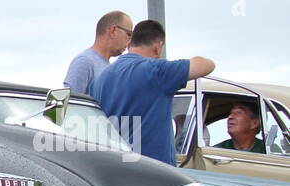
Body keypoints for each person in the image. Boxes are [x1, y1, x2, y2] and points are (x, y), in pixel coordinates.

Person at [90, 20, 215, 166]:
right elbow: (207, 65)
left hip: (114, 168)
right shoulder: (157, 71)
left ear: (130, 44)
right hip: (153, 172)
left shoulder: (100, 79)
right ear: (158, 47)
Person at [63, 11, 134, 93]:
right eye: (128, 34)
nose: (129, 41)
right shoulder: (84, 62)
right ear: (113, 31)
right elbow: (72, 102)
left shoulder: (108, 67)